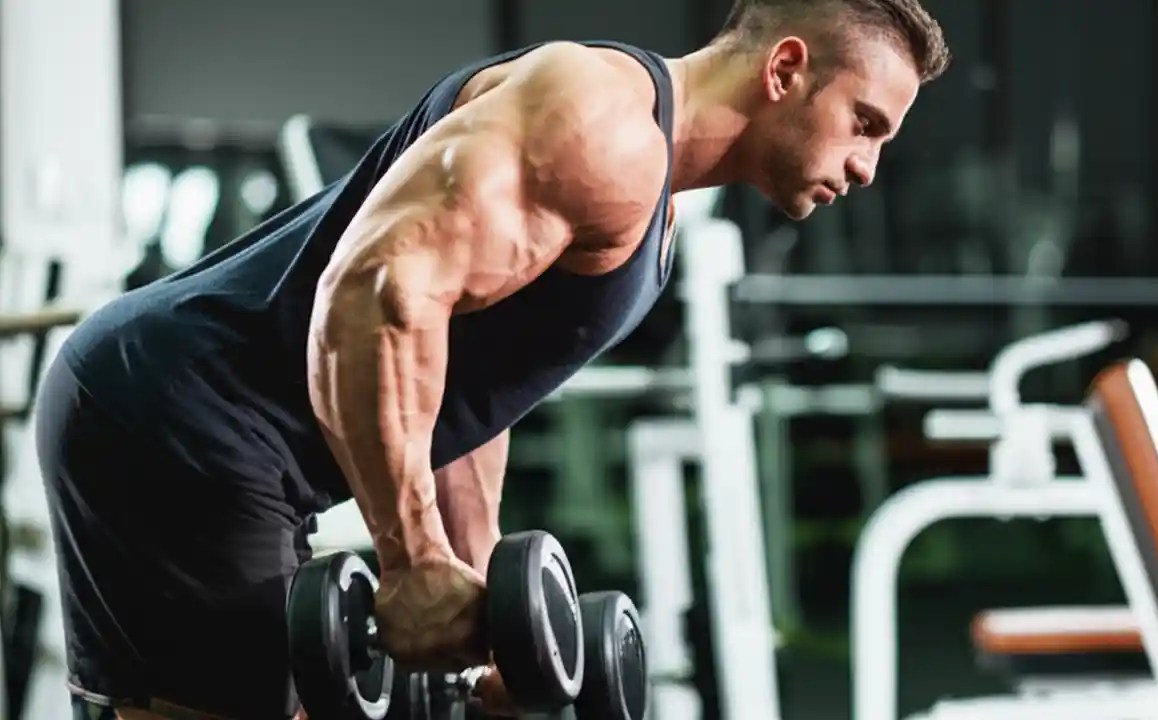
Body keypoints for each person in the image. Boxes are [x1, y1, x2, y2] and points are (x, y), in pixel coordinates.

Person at [35, 1, 950, 718]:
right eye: (864, 122)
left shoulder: (654, 202)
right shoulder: (604, 128)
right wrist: (410, 559)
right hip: (177, 416)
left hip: (203, 425)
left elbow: (467, 396)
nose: (868, 164)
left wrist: (475, 604)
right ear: (788, 68)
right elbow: (380, 296)